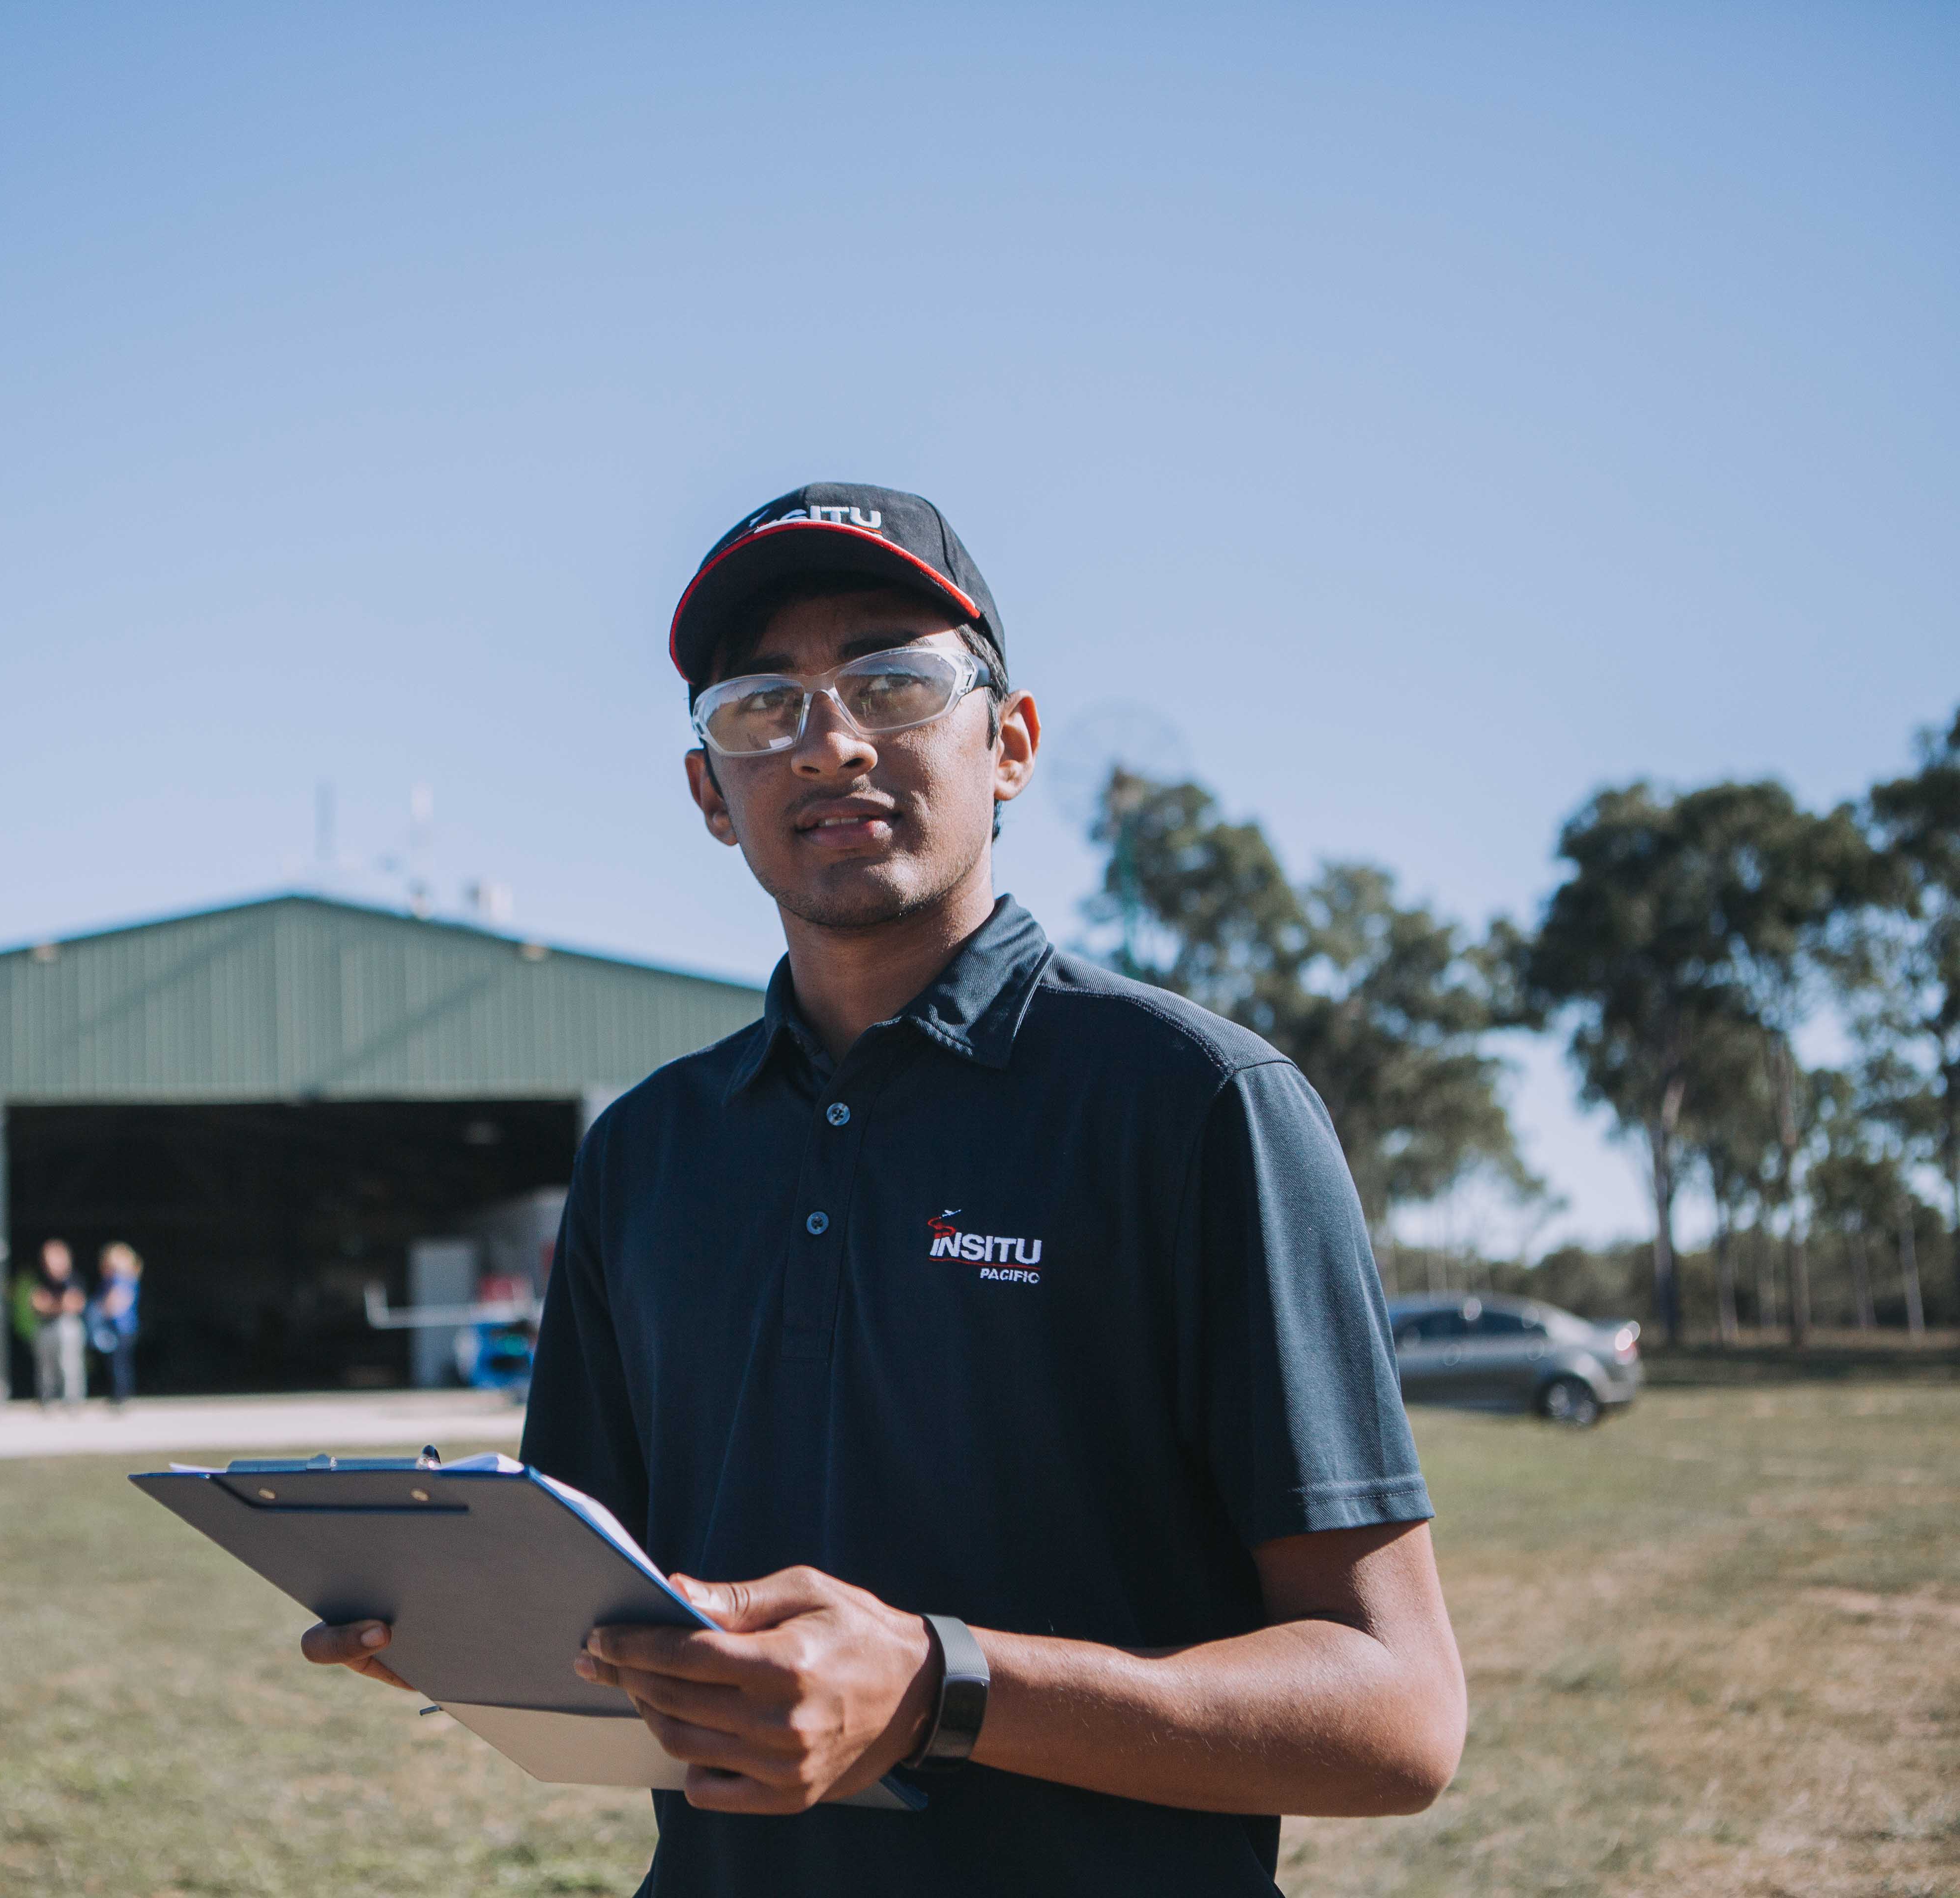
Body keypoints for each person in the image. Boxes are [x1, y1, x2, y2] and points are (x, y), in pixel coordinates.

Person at [303, 483, 1465, 1896]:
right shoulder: (647, 1154)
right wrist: (455, 1619)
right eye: (759, 707)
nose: (831, 742)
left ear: (1012, 743)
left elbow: (1396, 1716)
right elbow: (615, 1626)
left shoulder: (1198, 1108)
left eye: (893, 681)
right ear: (708, 796)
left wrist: (937, 1688)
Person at [27, 1239, 88, 1411]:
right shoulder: (41, 1279)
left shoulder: (73, 1279)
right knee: (45, 1366)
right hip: (45, 1326)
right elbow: (36, 1303)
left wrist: (51, 1305)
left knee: (69, 1364)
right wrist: (58, 1304)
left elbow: (75, 1304)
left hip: (67, 1326)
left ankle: (72, 1400)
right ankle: (47, 1399)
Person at [88, 1243, 141, 1409]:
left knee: (120, 1364)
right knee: (115, 1363)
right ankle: (118, 1394)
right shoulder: (115, 1280)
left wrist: (101, 1310)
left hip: (123, 1329)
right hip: (116, 1329)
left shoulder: (124, 1280)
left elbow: (116, 1303)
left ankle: (121, 1396)